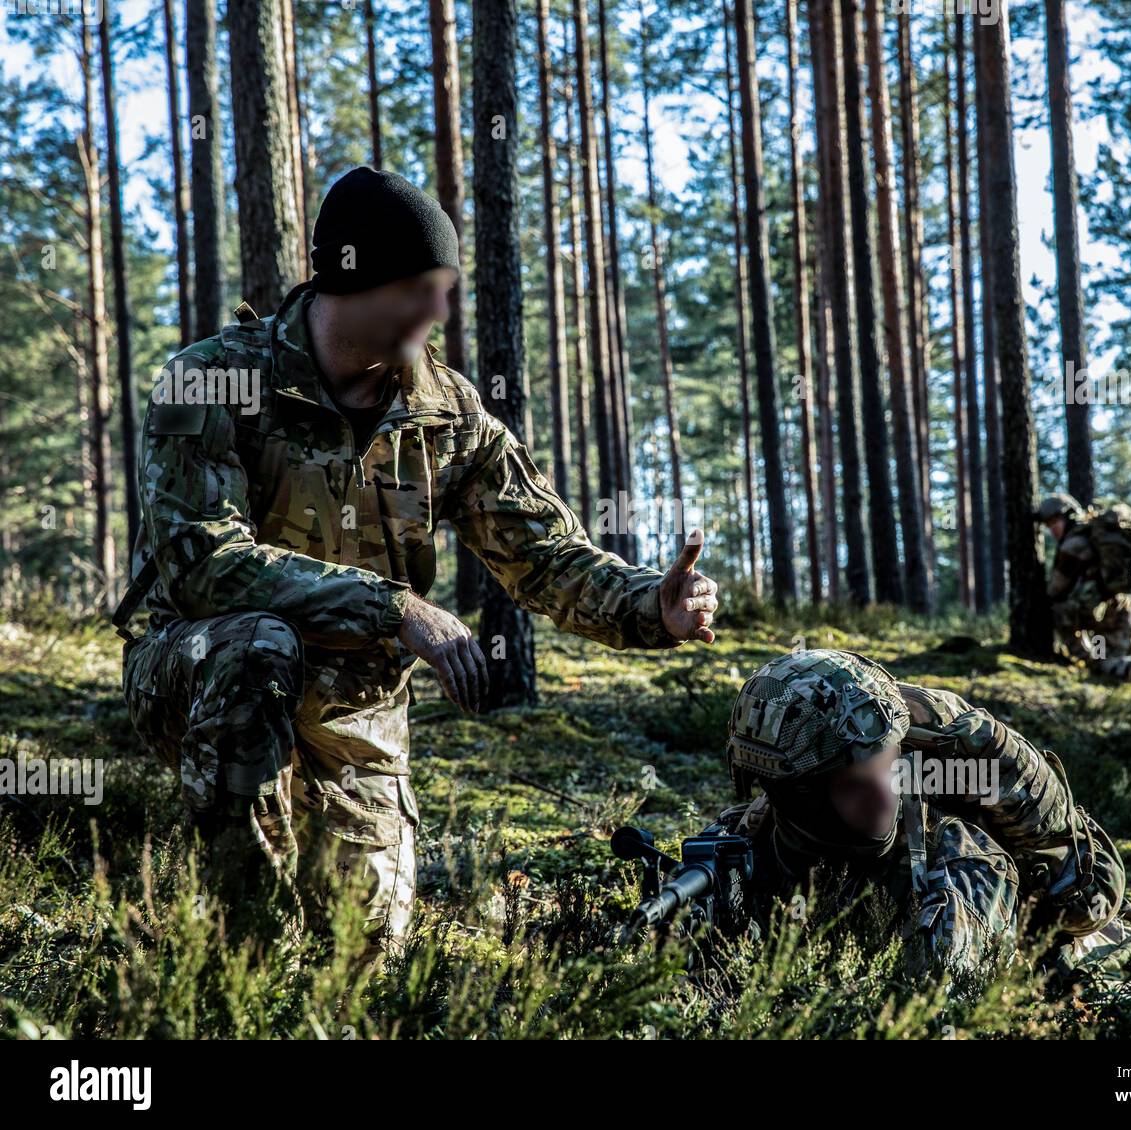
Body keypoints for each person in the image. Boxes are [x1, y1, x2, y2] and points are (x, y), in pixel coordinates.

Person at [114, 166, 720, 961]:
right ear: (353, 281)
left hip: (355, 710)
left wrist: (652, 606)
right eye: (421, 288)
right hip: (198, 672)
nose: (440, 310)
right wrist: (397, 608)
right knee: (258, 646)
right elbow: (205, 564)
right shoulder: (213, 380)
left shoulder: (444, 410)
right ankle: (245, 965)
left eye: (446, 287)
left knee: (367, 955)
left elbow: (542, 554)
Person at [715, 649, 1131, 999]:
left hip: (1060, 961)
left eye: (890, 767)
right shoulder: (747, 840)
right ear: (796, 796)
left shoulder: (952, 859)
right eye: (853, 783)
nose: (882, 795)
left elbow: (945, 1001)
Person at [1034, 493, 1131, 683]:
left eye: (1053, 523)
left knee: (1063, 616)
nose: (1052, 530)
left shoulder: (1073, 544)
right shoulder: (1102, 536)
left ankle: (1112, 668)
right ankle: (1124, 668)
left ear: (1067, 516)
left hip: (1096, 615)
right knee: (1114, 653)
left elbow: (1056, 589)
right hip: (1124, 608)